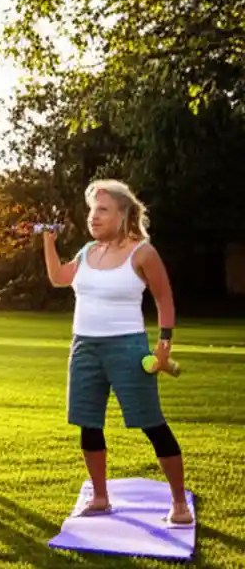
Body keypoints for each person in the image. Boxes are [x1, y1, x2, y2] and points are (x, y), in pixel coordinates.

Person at [42, 179, 192, 525]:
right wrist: (49, 245)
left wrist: (164, 343)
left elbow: (164, 298)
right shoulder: (86, 252)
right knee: (88, 423)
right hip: (84, 346)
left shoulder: (143, 253)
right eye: (92, 209)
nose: (94, 217)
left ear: (123, 214)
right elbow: (59, 278)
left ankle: (179, 504)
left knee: (151, 423)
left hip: (127, 347)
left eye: (103, 210)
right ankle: (99, 497)